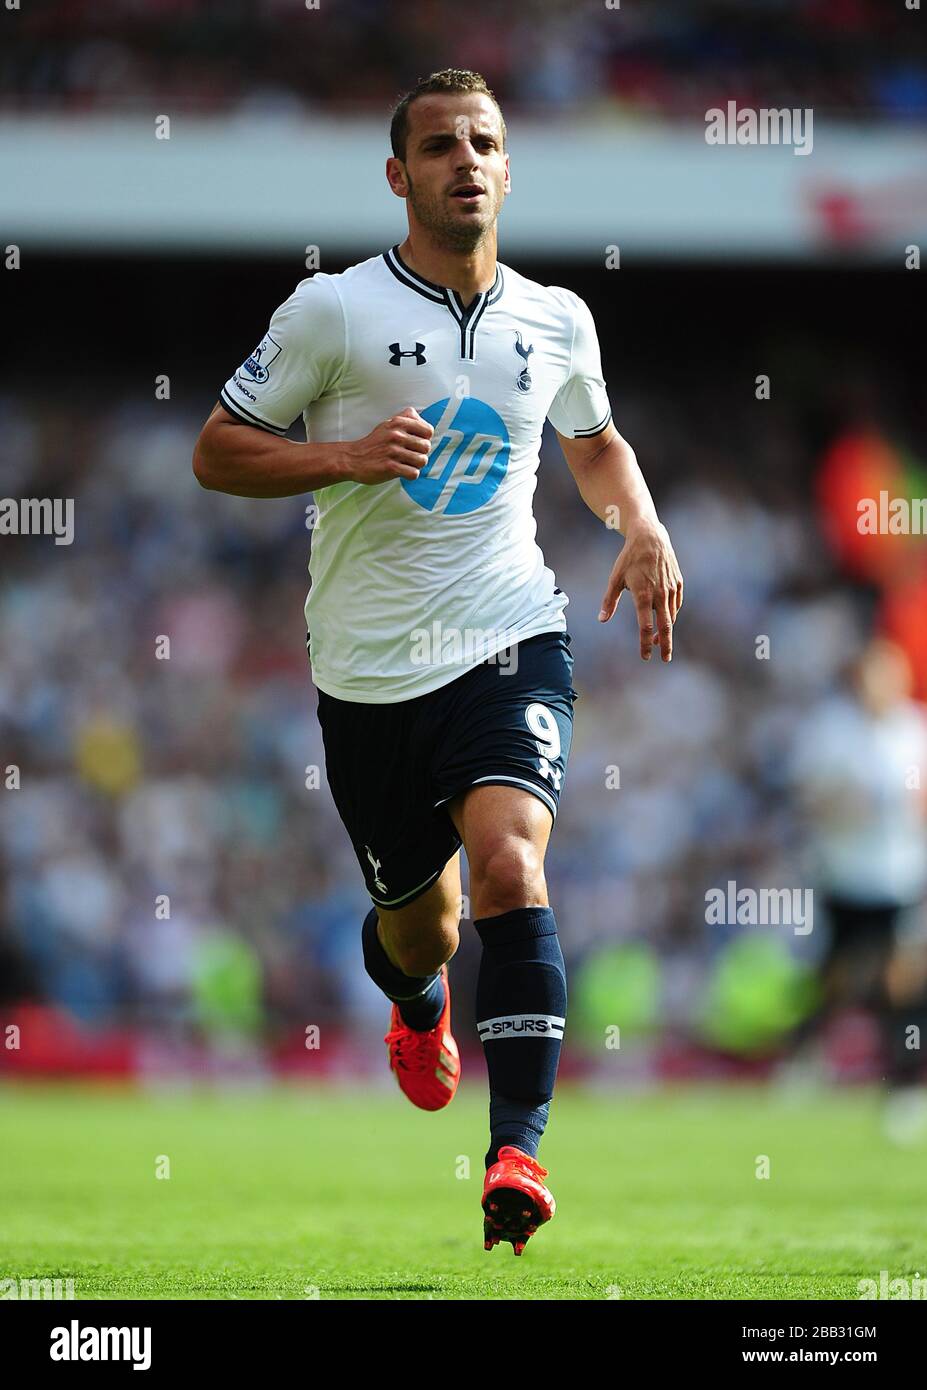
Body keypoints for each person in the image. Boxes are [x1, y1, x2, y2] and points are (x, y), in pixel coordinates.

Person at [193, 68, 683, 1253]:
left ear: (509, 169)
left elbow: (598, 446)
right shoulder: (334, 312)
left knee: (514, 863)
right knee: (424, 932)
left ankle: (517, 1148)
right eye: (439, 144)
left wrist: (646, 524)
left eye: (486, 142)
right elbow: (217, 452)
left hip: (510, 633)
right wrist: (347, 457)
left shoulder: (557, 318)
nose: (466, 159)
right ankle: (417, 1005)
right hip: (366, 674)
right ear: (398, 174)